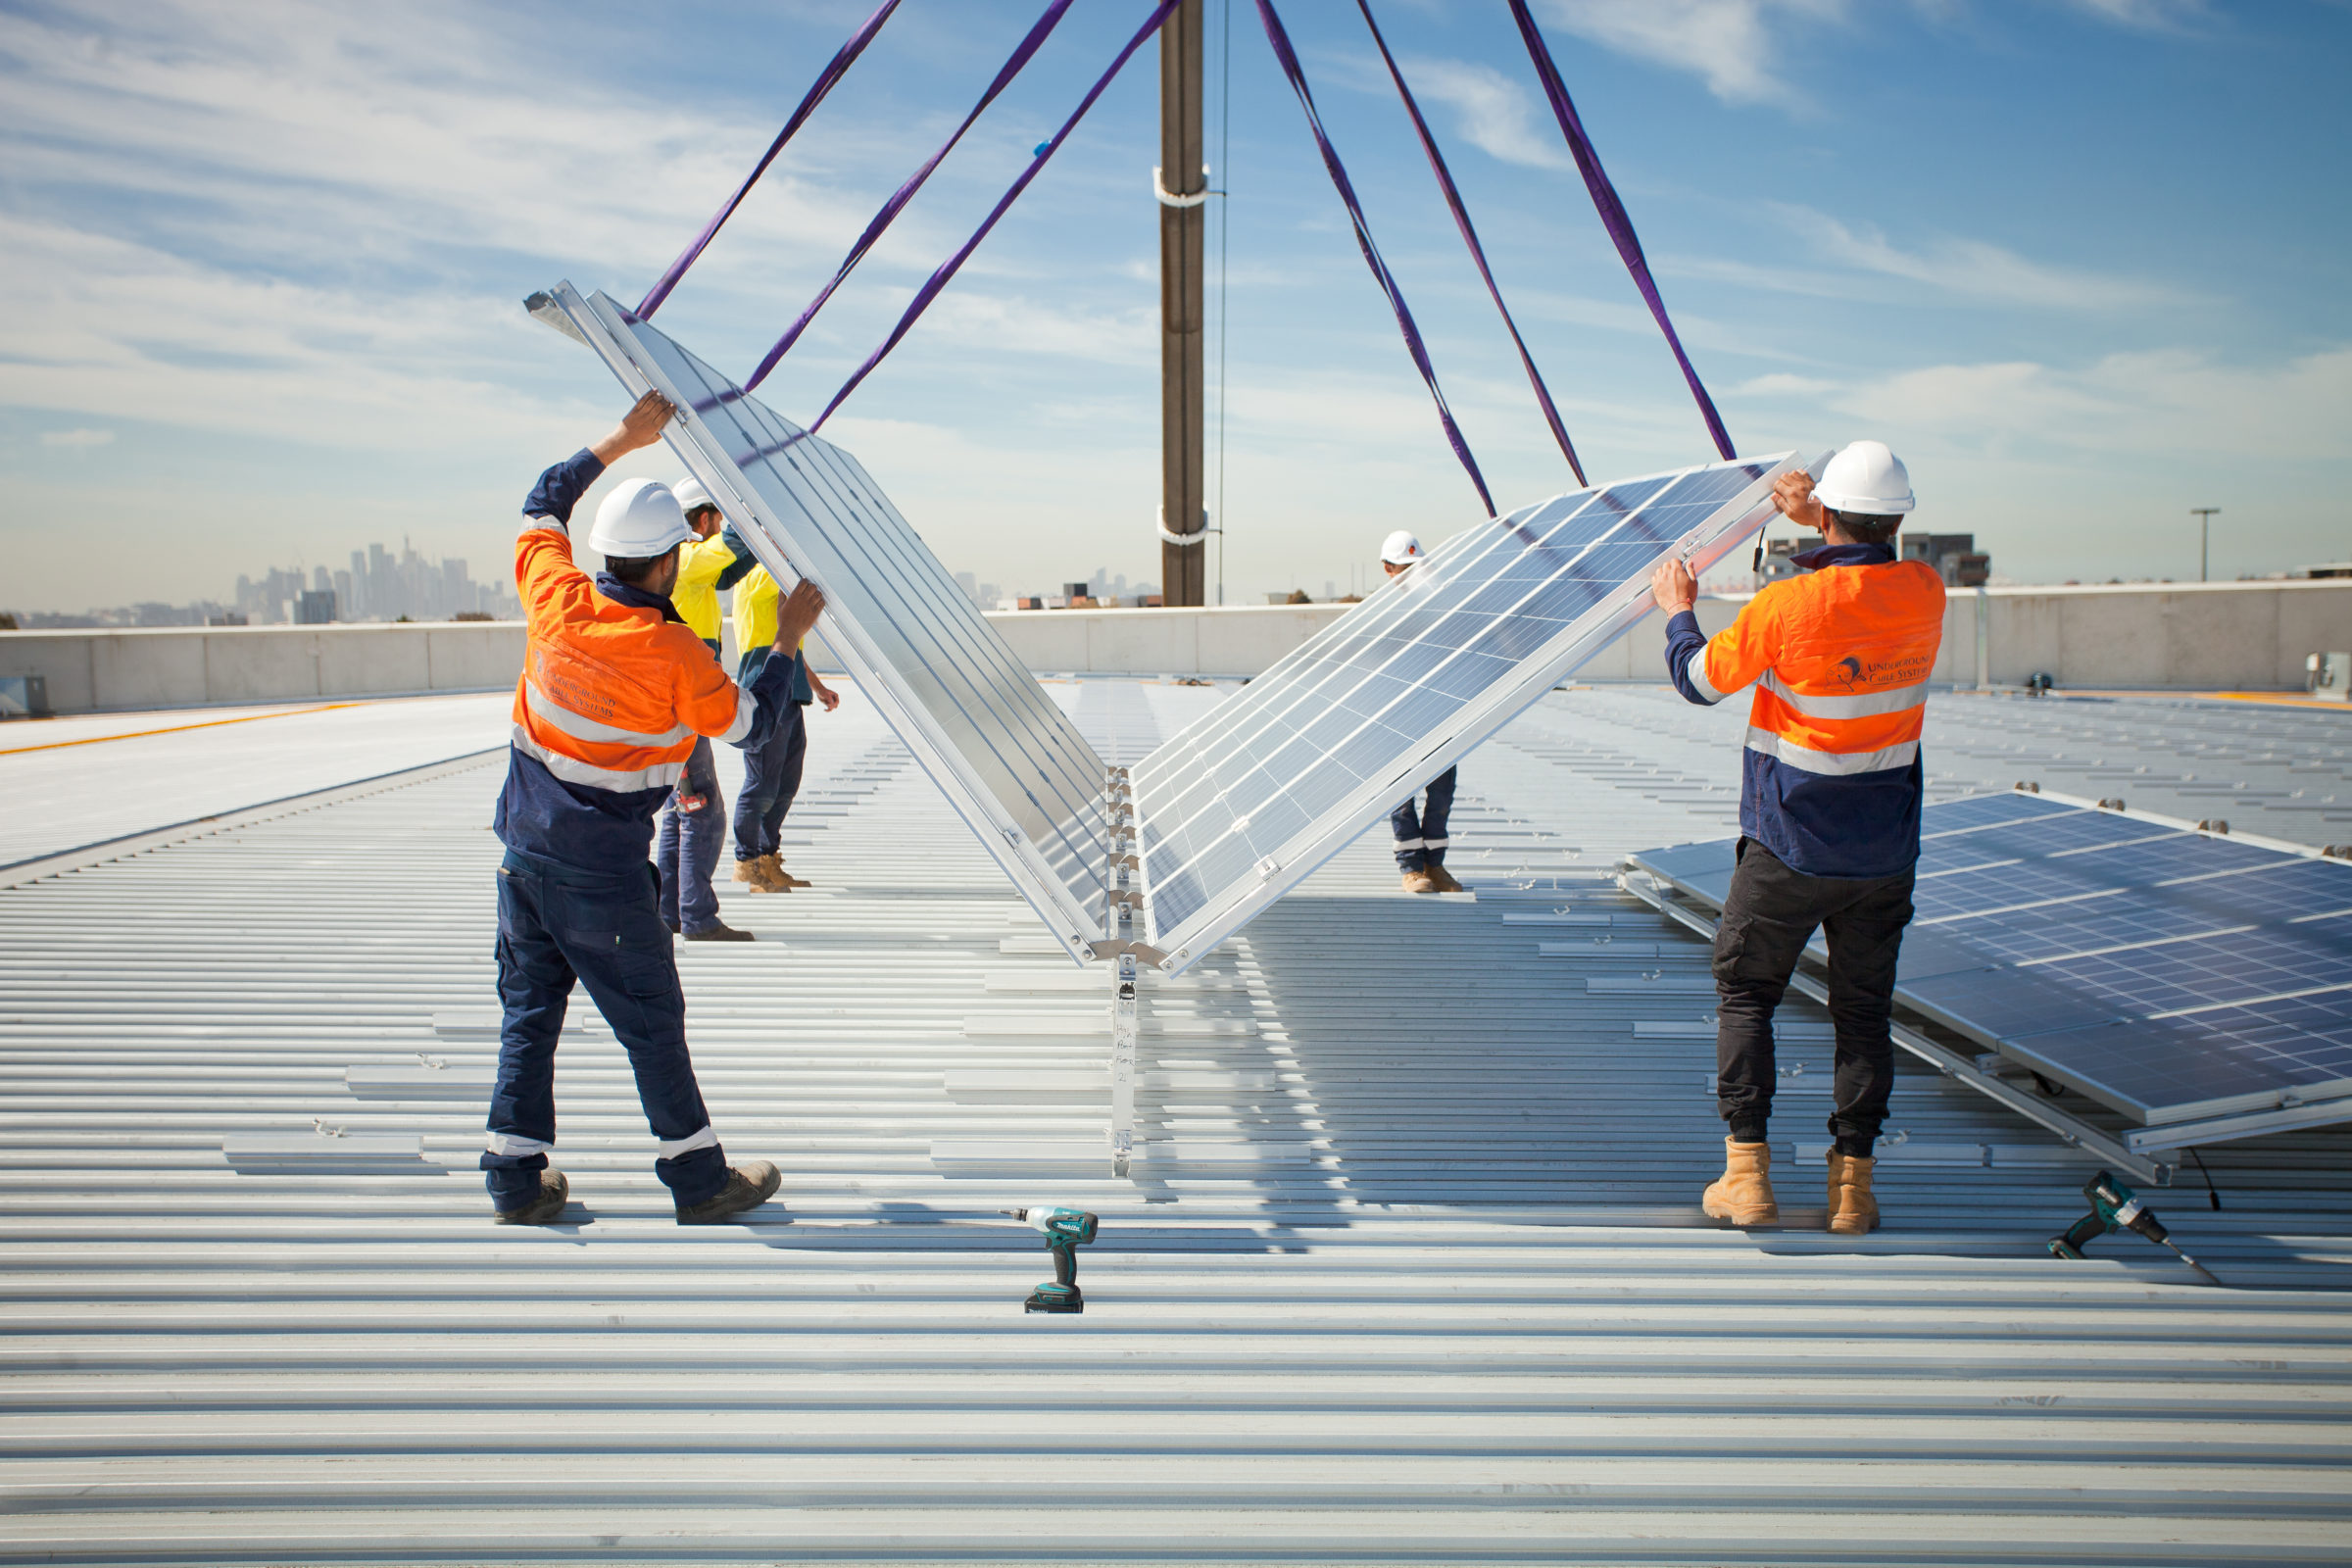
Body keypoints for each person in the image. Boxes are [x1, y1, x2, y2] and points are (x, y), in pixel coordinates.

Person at [485, 390, 825, 1227]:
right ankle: (700, 1181)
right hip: (598, 877)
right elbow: (749, 725)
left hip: (522, 859)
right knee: (651, 1021)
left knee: (530, 1014)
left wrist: (621, 441)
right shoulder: (668, 648)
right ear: (671, 562)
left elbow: (541, 502)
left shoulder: (555, 598)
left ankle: (514, 1181)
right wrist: (785, 642)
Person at [1649, 440, 1943, 1237]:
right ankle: (1854, 1191)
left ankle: (1747, 1178)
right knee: (1862, 1015)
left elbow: (1698, 680)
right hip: (1884, 853)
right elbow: (1870, 560)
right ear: (1898, 522)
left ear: (1837, 516)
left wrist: (1679, 607)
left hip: (1788, 846)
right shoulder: (1925, 592)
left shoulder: (1787, 606)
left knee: (1747, 995)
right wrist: (1821, 515)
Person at [653, 475, 760, 941]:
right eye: (714, 515)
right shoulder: (690, 558)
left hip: (675, 702)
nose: (718, 525)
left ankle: (670, 913)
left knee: (682, 807)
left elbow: (733, 566)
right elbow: (735, 543)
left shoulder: (686, 566)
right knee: (702, 808)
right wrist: (753, 502)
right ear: (702, 519)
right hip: (685, 703)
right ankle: (696, 916)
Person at [729, 562, 840, 893]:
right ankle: (745, 863)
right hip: (764, 693)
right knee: (761, 783)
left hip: (790, 695)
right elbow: (800, 583)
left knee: (786, 784)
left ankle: (767, 858)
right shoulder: (756, 576)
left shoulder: (778, 580)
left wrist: (818, 687)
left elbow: (792, 645)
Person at [1379, 529, 1461, 896]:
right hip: (1398, 714)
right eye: (1402, 567)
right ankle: (1411, 869)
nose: (1411, 574)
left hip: (1437, 711)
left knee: (1442, 792)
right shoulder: (1378, 613)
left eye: (1415, 566)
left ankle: (1435, 865)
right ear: (1387, 569)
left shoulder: (1436, 605)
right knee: (1403, 796)